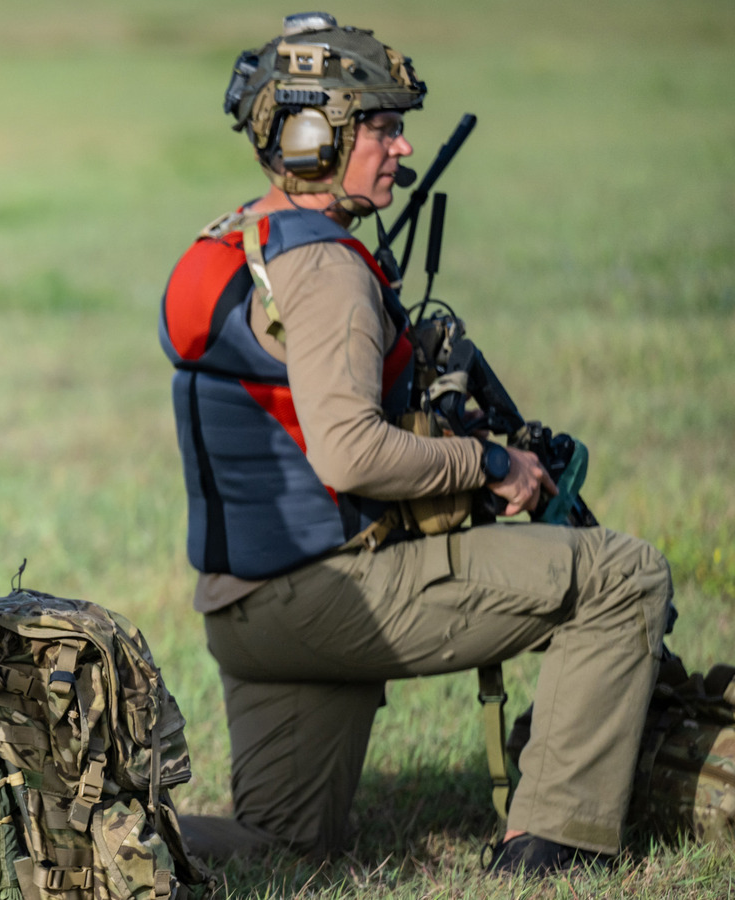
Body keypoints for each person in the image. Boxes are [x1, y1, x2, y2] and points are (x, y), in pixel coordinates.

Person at [158, 12, 672, 874]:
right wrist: (493, 464)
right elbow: (349, 456)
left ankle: (83, 854)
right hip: (330, 599)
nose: (400, 147)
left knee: (282, 853)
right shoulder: (327, 273)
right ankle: (554, 853)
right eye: (383, 126)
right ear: (314, 136)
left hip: (244, 608)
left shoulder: (239, 240)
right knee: (624, 577)